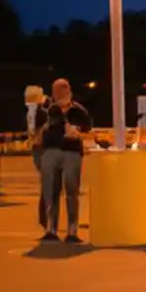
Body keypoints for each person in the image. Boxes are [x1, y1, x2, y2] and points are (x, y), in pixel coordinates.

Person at [41, 78, 93, 243]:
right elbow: (37, 129)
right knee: (51, 191)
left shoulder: (78, 111)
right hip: (50, 151)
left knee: (72, 191)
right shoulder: (48, 110)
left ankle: (72, 230)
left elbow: (88, 130)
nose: (60, 93)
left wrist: (76, 132)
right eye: (57, 90)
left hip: (71, 153)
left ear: (69, 91)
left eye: (63, 89)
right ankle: (51, 229)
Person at [24, 85, 55, 230]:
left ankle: (45, 218)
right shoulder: (41, 112)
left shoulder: (31, 112)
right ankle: (46, 218)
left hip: (36, 149)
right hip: (42, 149)